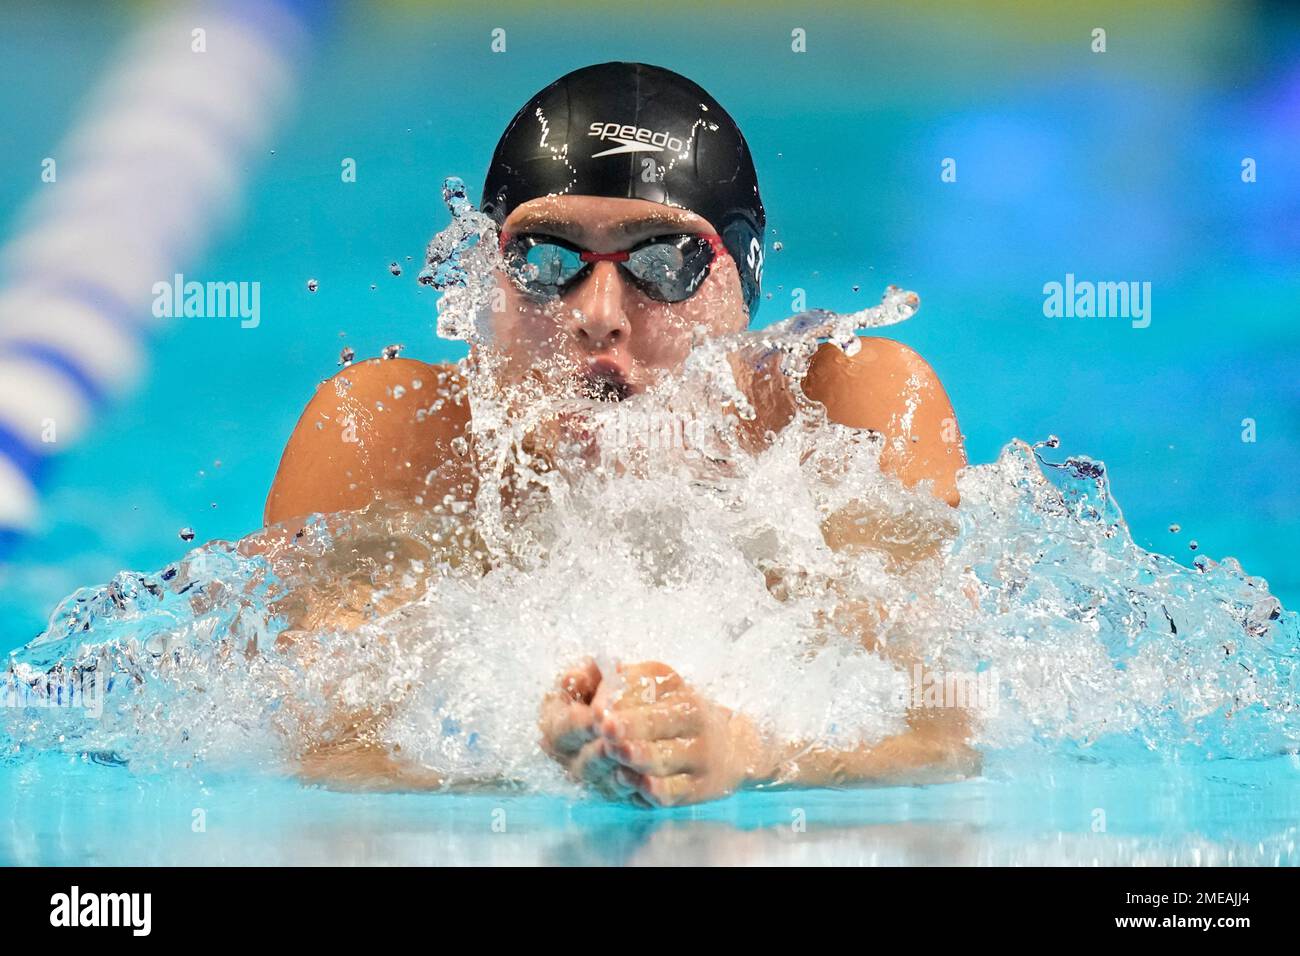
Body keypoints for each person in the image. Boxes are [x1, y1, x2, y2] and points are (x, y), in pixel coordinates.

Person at [264, 62, 975, 806]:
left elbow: (940, 735)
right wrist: (519, 763)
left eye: (664, 260)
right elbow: (323, 756)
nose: (599, 310)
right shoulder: (386, 435)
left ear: (742, 287)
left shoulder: (846, 415)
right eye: (544, 258)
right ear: (489, 279)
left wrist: (745, 750)